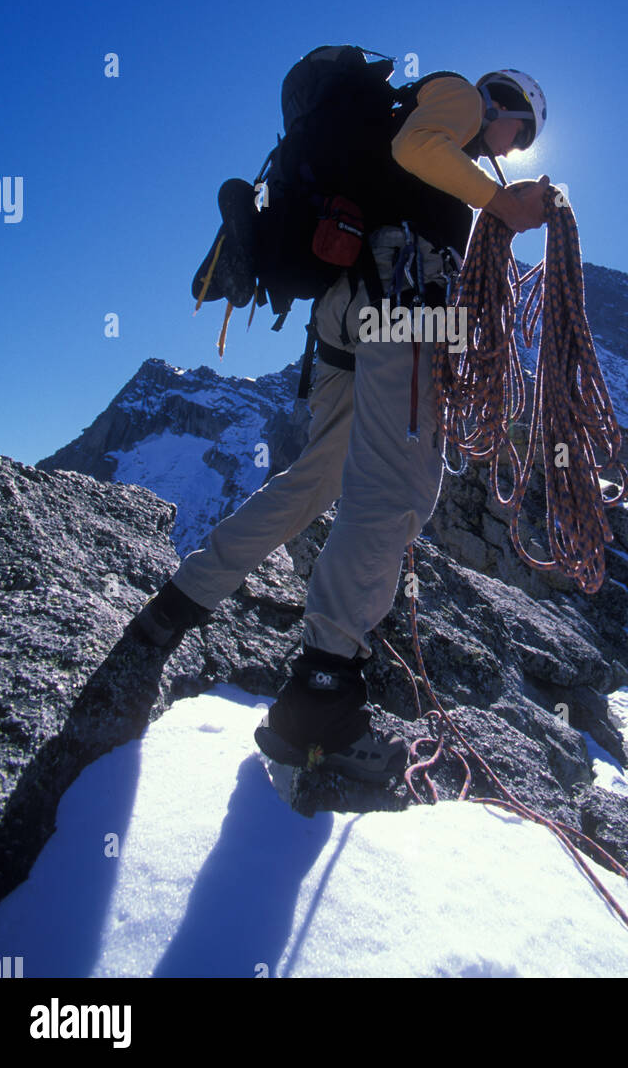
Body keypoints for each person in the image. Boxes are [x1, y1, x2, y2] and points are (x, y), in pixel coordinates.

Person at [128, 68, 550, 782]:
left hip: (350, 308)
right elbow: (418, 149)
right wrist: (499, 204)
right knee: (397, 491)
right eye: (523, 130)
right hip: (403, 301)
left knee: (319, 475)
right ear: (502, 107)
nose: (515, 145)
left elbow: (413, 163)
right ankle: (320, 697)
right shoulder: (455, 99)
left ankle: (177, 603)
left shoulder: (438, 136)